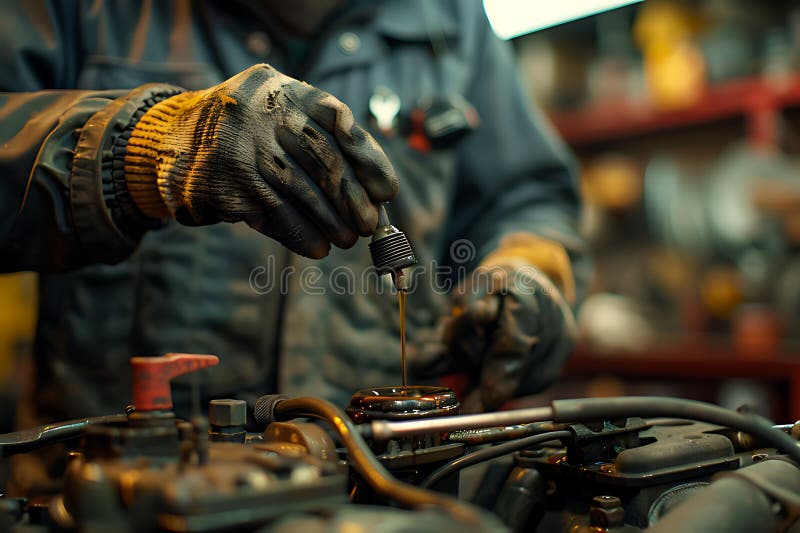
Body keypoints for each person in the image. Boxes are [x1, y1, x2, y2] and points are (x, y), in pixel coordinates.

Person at [0, 0, 589, 490]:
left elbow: (526, 197)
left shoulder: (449, 18)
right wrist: (139, 150)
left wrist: (526, 266)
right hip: (118, 493)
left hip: (376, 493)